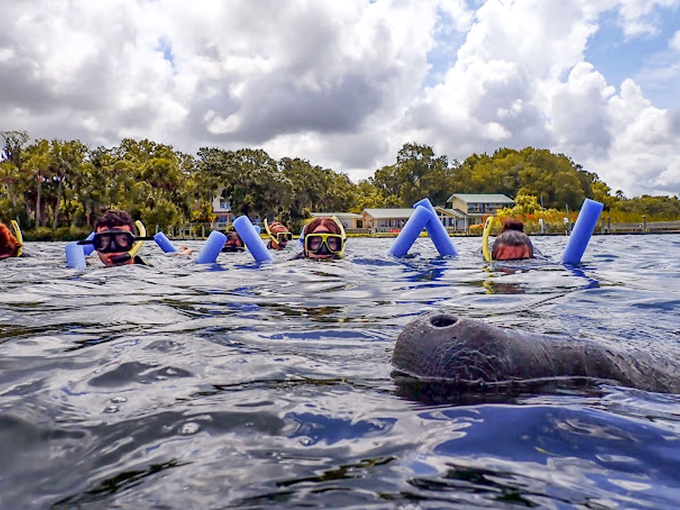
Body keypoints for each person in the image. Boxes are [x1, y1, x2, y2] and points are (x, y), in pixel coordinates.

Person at [88, 210, 191, 266]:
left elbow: (173, 260)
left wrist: (183, 255)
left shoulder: (153, 268)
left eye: (122, 240)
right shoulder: (88, 269)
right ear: (96, 247)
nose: (114, 248)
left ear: (133, 243)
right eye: (104, 241)